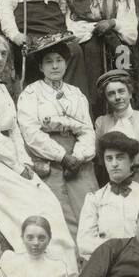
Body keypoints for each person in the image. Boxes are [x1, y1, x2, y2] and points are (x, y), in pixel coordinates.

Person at [0, 35, 77, 269]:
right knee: (29, 205)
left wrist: (25, 161)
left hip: (2, 152)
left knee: (46, 202)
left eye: (3, 54)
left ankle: (62, 268)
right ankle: (40, 267)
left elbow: (13, 128)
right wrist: (18, 167)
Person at [16, 33, 96, 239]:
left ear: (66, 63)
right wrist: (62, 156)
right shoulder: (30, 94)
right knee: (59, 213)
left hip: (78, 156)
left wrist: (78, 157)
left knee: (89, 207)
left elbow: (87, 129)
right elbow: (31, 133)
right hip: (48, 157)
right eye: (49, 62)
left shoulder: (76, 94)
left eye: (59, 60)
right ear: (41, 67)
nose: (54, 66)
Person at [64, 0, 137, 114]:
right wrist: (95, 27)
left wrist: (113, 23)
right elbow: (71, 26)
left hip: (118, 47)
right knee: (93, 91)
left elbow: (130, 28)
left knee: (121, 86)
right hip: (90, 49)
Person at [75, 132, 139, 259]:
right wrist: (117, 250)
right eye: (109, 158)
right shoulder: (94, 199)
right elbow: (84, 243)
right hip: (105, 266)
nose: (114, 164)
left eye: (120, 157)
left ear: (131, 160)